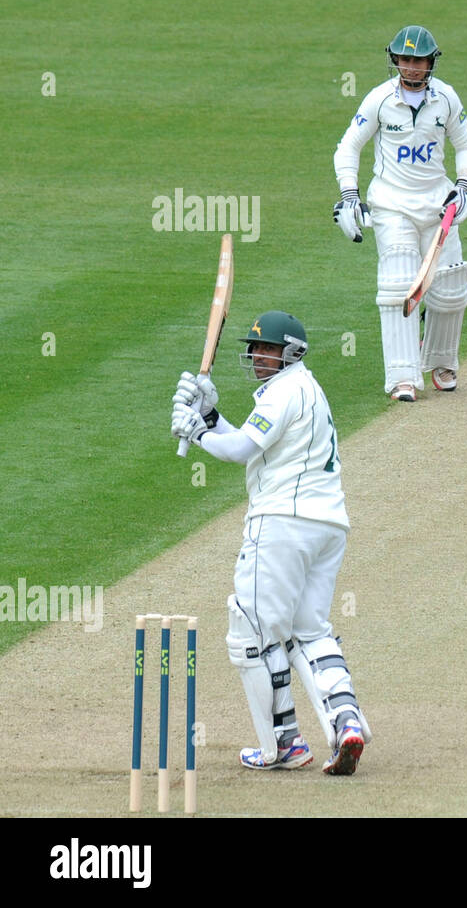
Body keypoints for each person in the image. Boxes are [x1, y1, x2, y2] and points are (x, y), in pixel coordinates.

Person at [170, 310, 372, 776]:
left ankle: (283, 745)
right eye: (255, 348)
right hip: (327, 526)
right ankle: (346, 723)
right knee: (310, 630)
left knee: (251, 634)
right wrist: (210, 417)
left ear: (292, 353)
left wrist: (197, 432)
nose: (259, 356)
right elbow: (250, 441)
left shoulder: (284, 392)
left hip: (283, 522)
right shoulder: (306, 389)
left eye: (268, 349)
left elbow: (239, 450)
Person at [332, 25, 467, 401]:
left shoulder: (445, 98)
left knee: (449, 289)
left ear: (430, 62)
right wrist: (349, 196)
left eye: (418, 60)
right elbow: (347, 147)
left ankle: (442, 362)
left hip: (437, 205)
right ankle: (402, 377)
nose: (411, 67)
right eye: (404, 59)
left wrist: (465, 188)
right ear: (394, 60)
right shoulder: (380, 100)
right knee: (398, 286)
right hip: (392, 204)